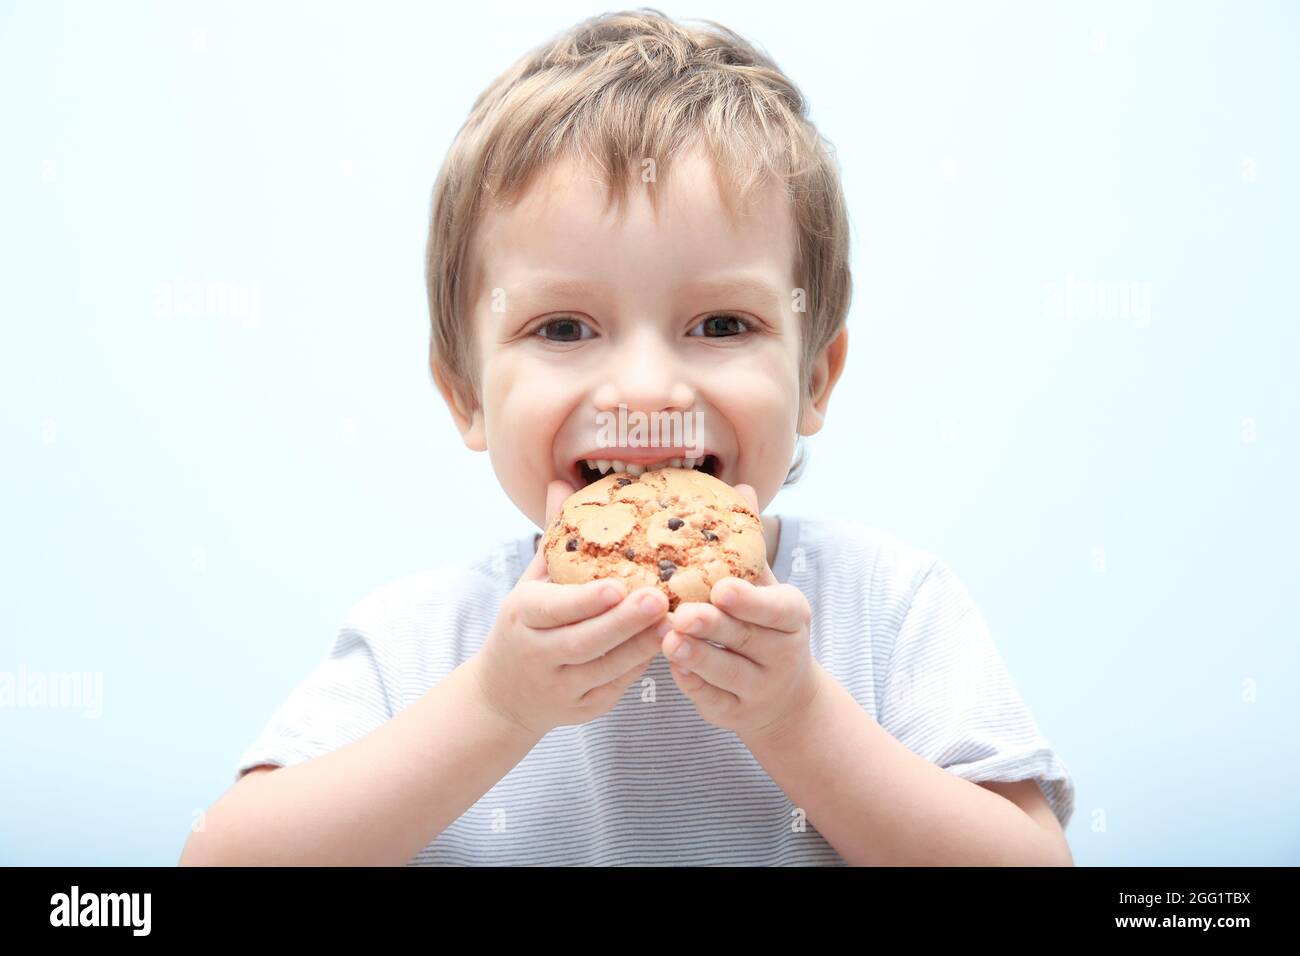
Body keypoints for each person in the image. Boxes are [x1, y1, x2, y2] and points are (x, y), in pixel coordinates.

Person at [181, 8, 1074, 866]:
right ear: (464, 391)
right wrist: (495, 707)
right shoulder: (422, 644)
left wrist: (796, 718)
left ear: (814, 378)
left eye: (721, 325)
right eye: (564, 329)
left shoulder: (888, 610)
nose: (647, 388)